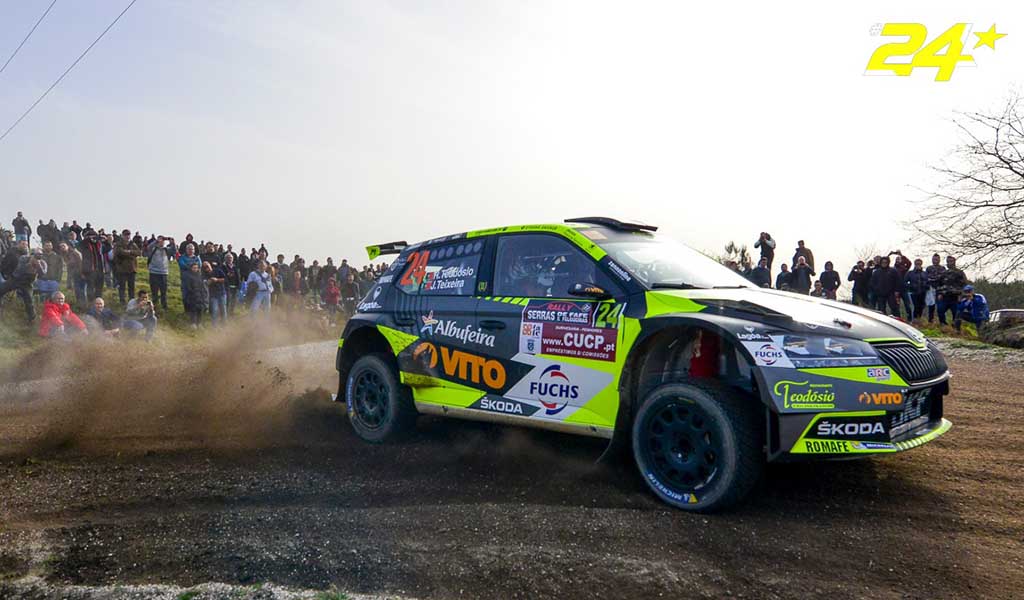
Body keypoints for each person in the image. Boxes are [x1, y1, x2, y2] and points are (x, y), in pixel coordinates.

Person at [0, 246, 47, 322]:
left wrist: (38, 266)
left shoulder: (43, 263)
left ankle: (32, 319)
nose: (38, 256)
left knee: (29, 301)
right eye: (36, 254)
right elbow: (19, 270)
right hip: (15, 279)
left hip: (27, 283)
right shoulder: (24, 258)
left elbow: (42, 274)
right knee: (1, 290)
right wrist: (29, 264)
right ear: (32, 254)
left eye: (40, 254)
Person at [935, 256, 967, 326]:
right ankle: (943, 324)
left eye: (951, 261)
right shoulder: (944, 273)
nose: (949, 263)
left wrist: (961, 295)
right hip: (945, 296)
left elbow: (964, 285)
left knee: (956, 313)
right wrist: (940, 293)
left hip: (955, 297)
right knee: (940, 310)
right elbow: (939, 284)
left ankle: (955, 327)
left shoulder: (960, 273)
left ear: (954, 262)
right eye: (948, 262)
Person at [112, 229, 141, 305]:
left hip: (132, 269)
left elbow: (139, 252)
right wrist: (131, 253)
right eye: (125, 235)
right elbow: (119, 252)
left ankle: (131, 302)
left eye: (128, 234)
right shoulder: (118, 244)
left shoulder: (133, 244)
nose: (127, 236)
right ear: (122, 235)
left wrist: (129, 252)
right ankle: (122, 302)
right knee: (122, 287)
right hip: (122, 269)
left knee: (131, 287)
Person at [146, 236, 174, 311]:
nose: (161, 243)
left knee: (163, 292)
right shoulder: (153, 249)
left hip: (163, 273)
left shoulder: (166, 250)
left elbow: (173, 250)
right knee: (154, 291)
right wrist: (156, 241)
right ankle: (155, 307)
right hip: (153, 272)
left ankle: (164, 307)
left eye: (162, 241)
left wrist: (172, 241)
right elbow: (148, 247)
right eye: (160, 241)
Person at [79, 233, 106, 302]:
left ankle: (98, 302)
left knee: (99, 288)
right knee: (90, 288)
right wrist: (89, 238)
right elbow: (82, 243)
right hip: (89, 270)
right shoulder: (84, 244)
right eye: (93, 237)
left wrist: (100, 238)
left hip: (100, 269)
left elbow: (106, 245)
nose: (94, 239)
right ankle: (91, 303)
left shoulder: (99, 244)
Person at [182, 262, 208, 328]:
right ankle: (193, 323)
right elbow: (188, 287)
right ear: (191, 268)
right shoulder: (188, 276)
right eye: (194, 268)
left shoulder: (200, 276)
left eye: (196, 268)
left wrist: (203, 294)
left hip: (200, 295)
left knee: (200, 309)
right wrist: (192, 292)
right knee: (193, 310)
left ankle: (199, 323)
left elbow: (203, 286)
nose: (195, 269)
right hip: (192, 295)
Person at [203, 261, 228, 326]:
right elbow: (205, 284)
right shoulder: (204, 275)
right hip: (213, 295)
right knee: (214, 311)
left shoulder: (218, 270)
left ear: (210, 265)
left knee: (223, 310)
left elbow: (225, 279)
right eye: (204, 267)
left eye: (207, 265)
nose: (206, 267)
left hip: (222, 293)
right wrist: (209, 282)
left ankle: (224, 325)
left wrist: (217, 280)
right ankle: (214, 327)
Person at [924, 253, 946, 323]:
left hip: (940, 290)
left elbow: (943, 279)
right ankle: (930, 321)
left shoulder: (942, 268)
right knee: (931, 306)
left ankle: (942, 322)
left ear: (939, 260)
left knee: (941, 307)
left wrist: (934, 279)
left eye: (936, 259)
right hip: (931, 289)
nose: (935, 261)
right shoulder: (929, 268)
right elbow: (926, 278)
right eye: (934, 259)